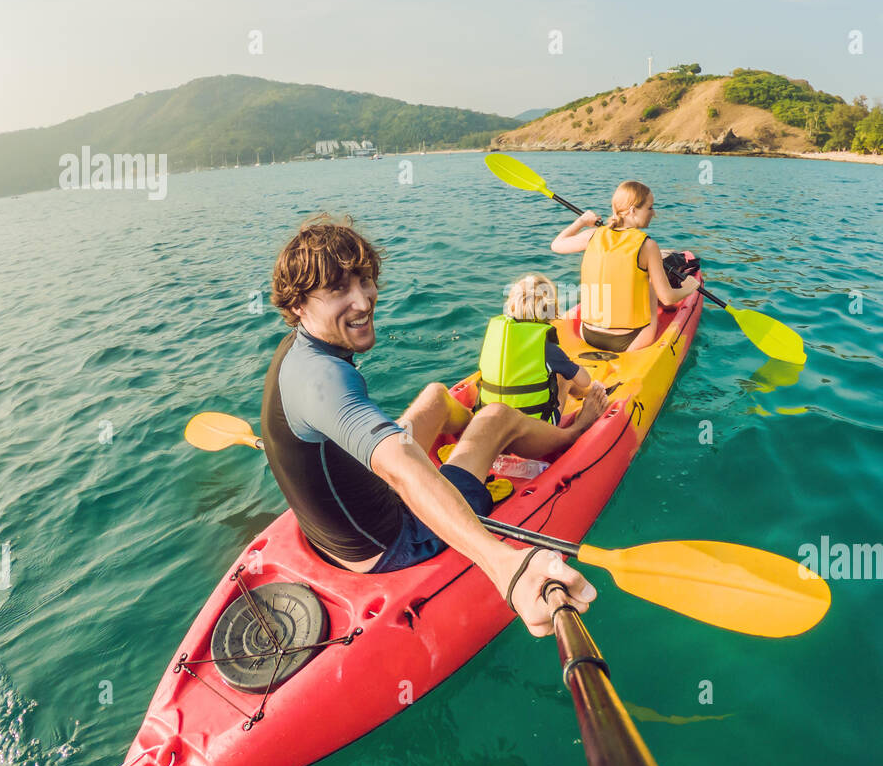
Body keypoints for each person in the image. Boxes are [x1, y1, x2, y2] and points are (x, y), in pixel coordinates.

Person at [259, 215, 608, 636]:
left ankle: (471, 446)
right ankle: (566, 433)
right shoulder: (325, 379)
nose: (363, 300)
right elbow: (399, 465)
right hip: (395, 544)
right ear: (298, 303)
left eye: (364, 280)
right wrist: (503, 565)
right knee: (495, 417)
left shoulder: (295, 354)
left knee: (436, 396)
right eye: (337, 289)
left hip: (355, 524)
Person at [550, 180, 700, 352]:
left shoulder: (592, 235)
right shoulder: (648, 246)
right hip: (630, 340)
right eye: (650, 208)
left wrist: (582, 221)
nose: (654, 213)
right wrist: (690, 287)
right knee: (652, 284)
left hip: (588, 333)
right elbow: (667, 297)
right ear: (632, 210)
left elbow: (556, 245)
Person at [477, 274, 604, 425]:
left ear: (511, 307)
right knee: (565, 378)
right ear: (553, 311)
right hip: (536, 429)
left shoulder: (497, 340)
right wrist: (569, 367)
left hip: (491, 422)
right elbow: (584, 380)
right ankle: (592, 396)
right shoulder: (548, 350)